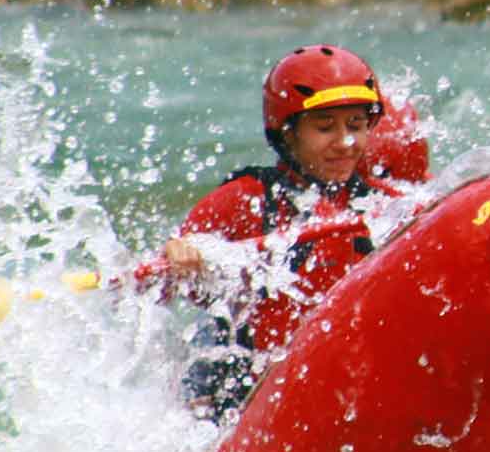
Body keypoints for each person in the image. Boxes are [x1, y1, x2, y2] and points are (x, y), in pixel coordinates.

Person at [155, 44, 409, 418]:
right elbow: (176, 263)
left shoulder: (383, 201)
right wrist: (181, 253)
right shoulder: (246, 199)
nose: (345, 142)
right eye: (324, 128)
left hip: (347, 383)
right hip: (252, 395)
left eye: (356, 126)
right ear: (288, 134)